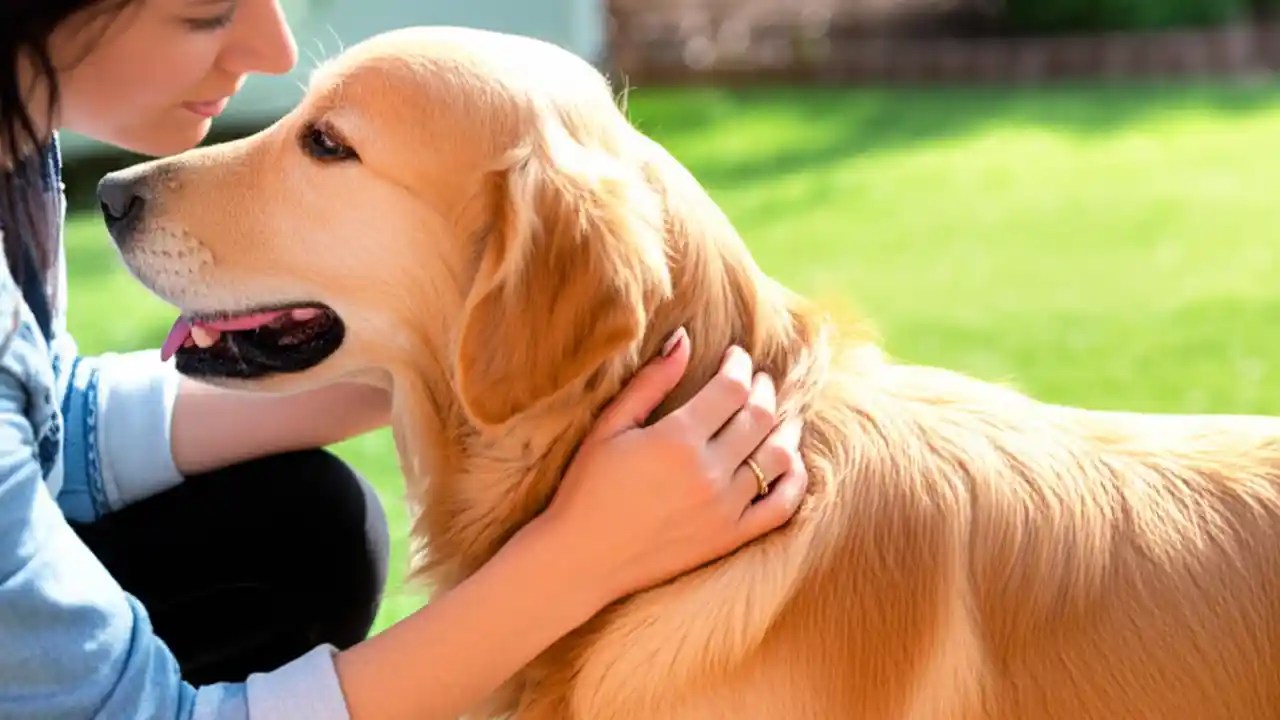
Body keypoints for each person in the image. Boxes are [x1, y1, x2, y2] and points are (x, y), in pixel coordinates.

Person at [0, 2, 810, 719]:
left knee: (310, 528)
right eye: (209, 11)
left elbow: (42, 425)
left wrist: (464, 350)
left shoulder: (16, 154)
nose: (273, 45)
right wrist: (579, 560)